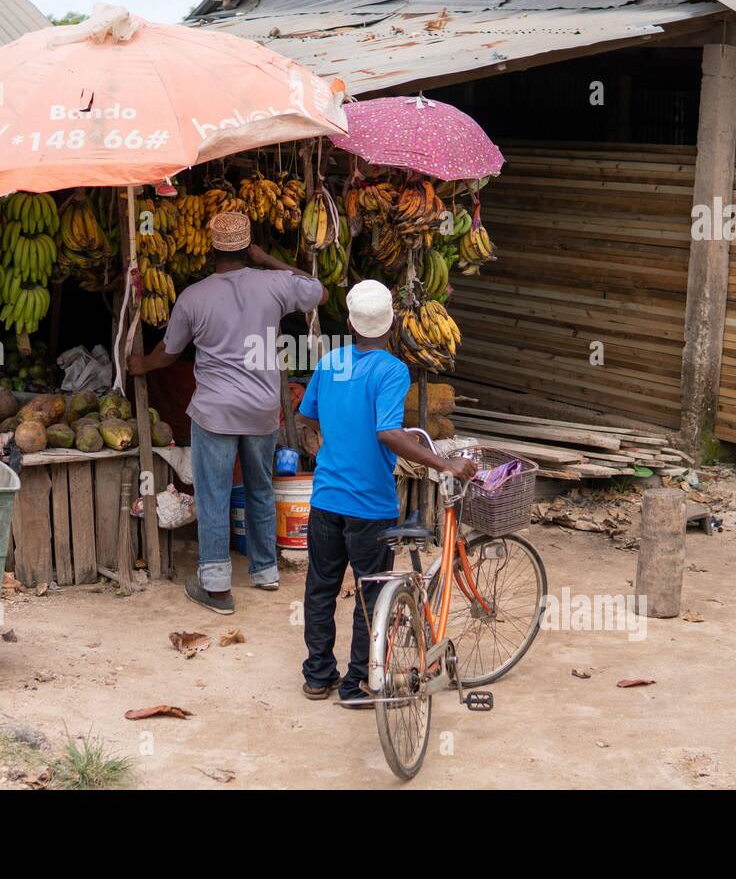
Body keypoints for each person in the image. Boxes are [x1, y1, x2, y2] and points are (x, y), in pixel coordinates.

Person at [128, 210, 326, 615]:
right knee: (259, 487)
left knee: (214, 493)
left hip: (215, 411)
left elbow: (168, 352)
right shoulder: (273, 285)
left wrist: (141, 366)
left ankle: (217, 588)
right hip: (261, 410)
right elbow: (317, 290)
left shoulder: (193, 296)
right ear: (247, 247)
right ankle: (265, 570)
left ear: (211, 248)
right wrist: (268, 259)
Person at [294, 280, 476, 707]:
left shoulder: (332, 361)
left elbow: (307, 418)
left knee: (320, 588)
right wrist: (444, 464)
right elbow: (389, 433)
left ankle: (318, 675)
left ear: (352, 323)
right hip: (369, 505)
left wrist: (337, 440)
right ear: (392, 322)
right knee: (370, 594)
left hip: (325, 499)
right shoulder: (392, 370)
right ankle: (358, 682)